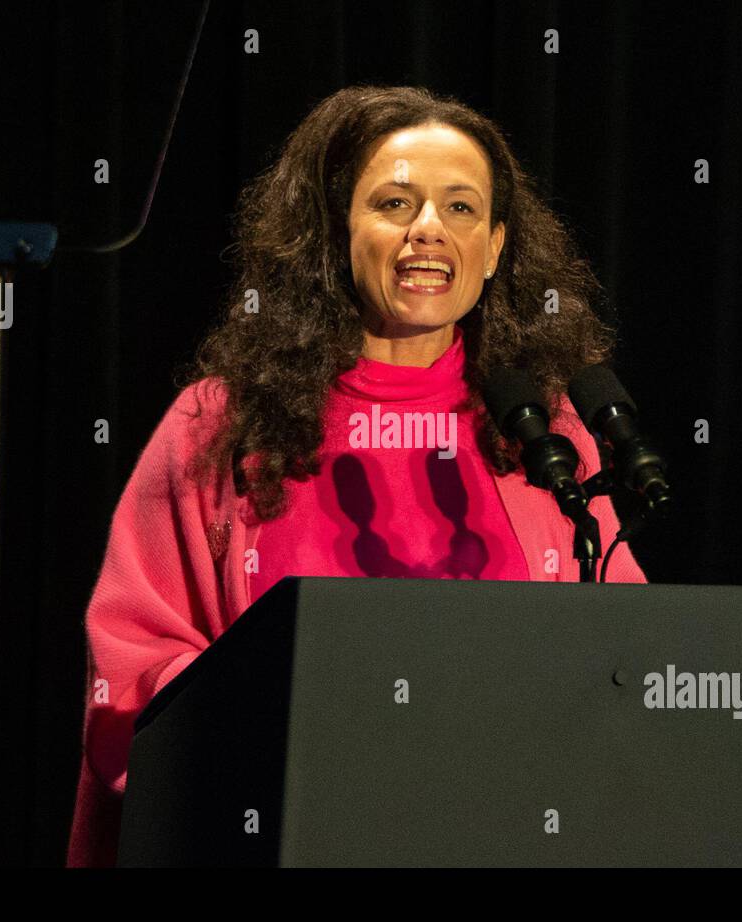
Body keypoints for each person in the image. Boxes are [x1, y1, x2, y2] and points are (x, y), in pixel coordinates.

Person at [65, 85, 647, 867]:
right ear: (336, 229)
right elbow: (137, 663)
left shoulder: (542, 432)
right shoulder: (222, 423)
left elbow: (627, 653)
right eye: (395, 202)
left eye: (462, 208)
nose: (429, 231)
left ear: (498, 245)